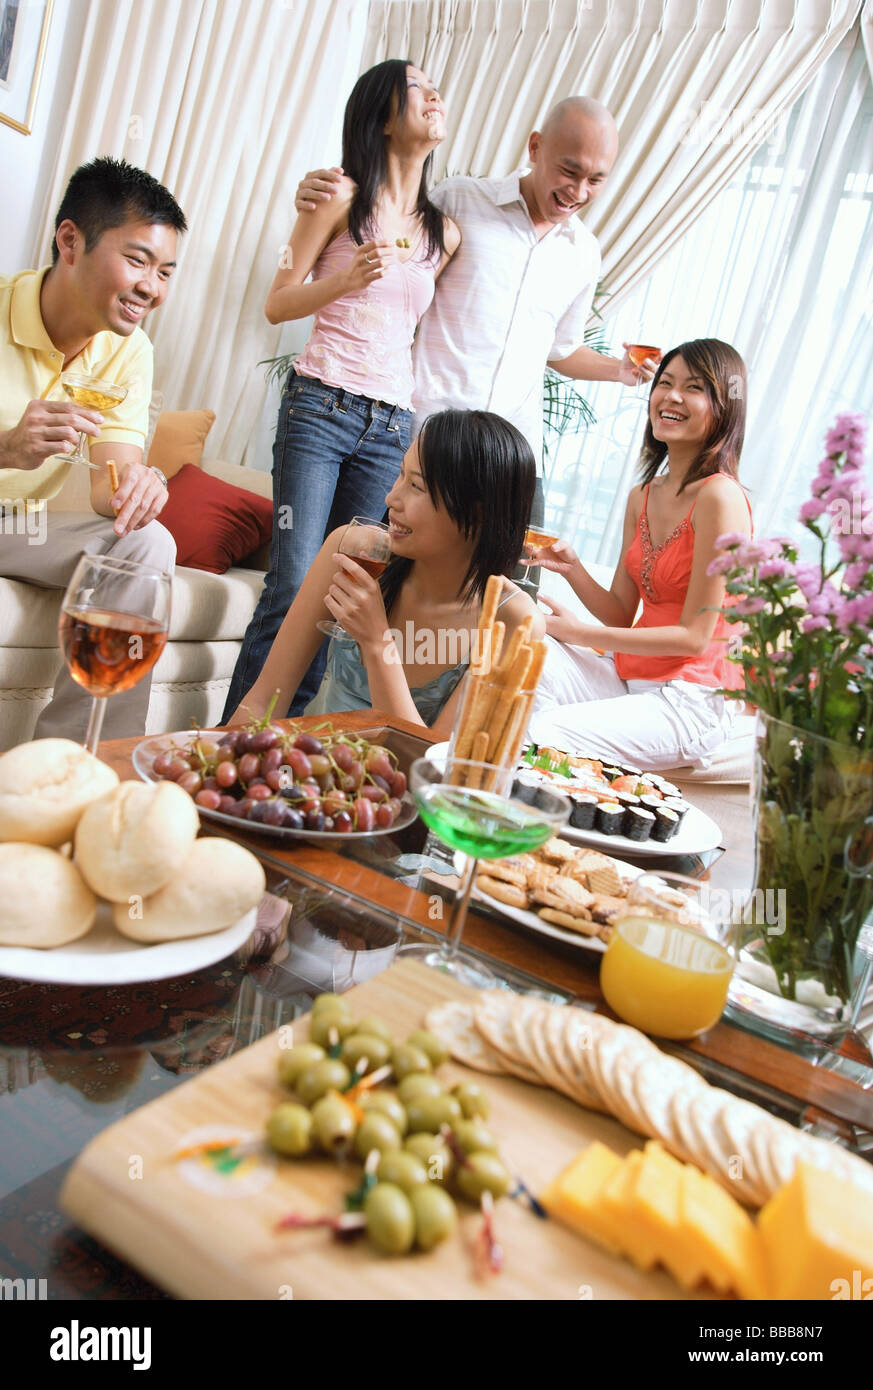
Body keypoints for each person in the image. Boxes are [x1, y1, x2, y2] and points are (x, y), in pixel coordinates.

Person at [223, 60, 461, 724]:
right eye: (418, 89)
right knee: (295, 581)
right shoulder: (336, 197)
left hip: (390, 427)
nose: (434, 96)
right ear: (382, 115)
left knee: (352, 589)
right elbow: (277, 300)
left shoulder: (444, 232)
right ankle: (234, 740)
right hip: (320, 408)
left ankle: (295, 746)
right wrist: (345, 280)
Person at [293, 96, 656, 505]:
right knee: (380, 563)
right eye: (569, 171)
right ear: (535, 147)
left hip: (509, 452)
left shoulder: (584, 253)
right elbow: (381, 227)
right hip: (421, 440)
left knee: (518, 571)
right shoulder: (459, 201)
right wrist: (326, 197)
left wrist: (619, 370)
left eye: (596, 180)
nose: (578, 191)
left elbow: (560, 349)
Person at [0, 156, 186, 743]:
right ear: (70, 241)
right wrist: (7, 448)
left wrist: (141, 485)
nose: (151, 289)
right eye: (137, 260)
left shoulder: (129, 353)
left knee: (148, 540)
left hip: (19, 526)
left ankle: (85, 761)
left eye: (165, 272)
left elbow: (113, 487)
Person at [227, 409, 543, 737]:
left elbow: (433, 767)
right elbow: (264, 701)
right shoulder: (353, 550)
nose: (391, 498)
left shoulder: (514, 622)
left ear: (477, 512)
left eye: (417, 486)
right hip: (312, 776)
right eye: (400, 475)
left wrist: (378, 641)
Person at [528, 339, 753, 770]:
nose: (671, 396)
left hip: (691, 700)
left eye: (694, 387)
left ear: (725, 406)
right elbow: (619, 612)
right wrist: (573, 569)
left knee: (548, 733)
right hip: (631, 677)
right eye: (664, 383)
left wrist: (578, 634)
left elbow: (694, 636)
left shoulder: (721, 497)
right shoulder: (642, 496)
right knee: (524, 663)